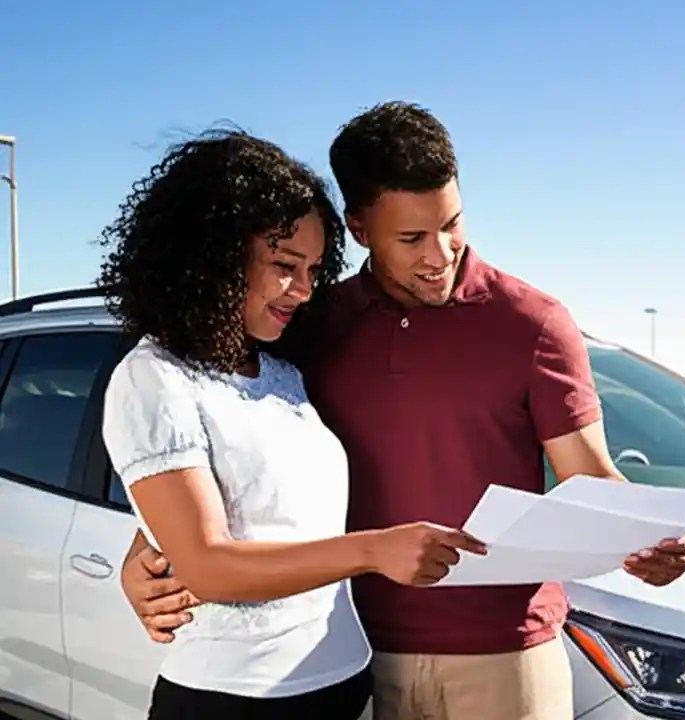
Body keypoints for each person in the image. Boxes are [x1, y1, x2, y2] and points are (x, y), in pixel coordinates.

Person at [118, 103, 685, 720]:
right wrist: (149, 546)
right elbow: (241, 448)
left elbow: (588, 475)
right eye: (412, 238)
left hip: (503, 658)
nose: (440, 254)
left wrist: (652, 534)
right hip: (353, 656)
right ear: (361, 228)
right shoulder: (312, 324)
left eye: (452, 224)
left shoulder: (533, 323)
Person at [97, 129, 488, 719]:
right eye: (284, 265)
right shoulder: (153, 379)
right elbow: (207, 564)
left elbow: (256, 497)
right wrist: (373, 550)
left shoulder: (282, 370)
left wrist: (147, 541)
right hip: (235, 702)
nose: (304, 290)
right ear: (214, 256)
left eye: (312, 268)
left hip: (343, 683)